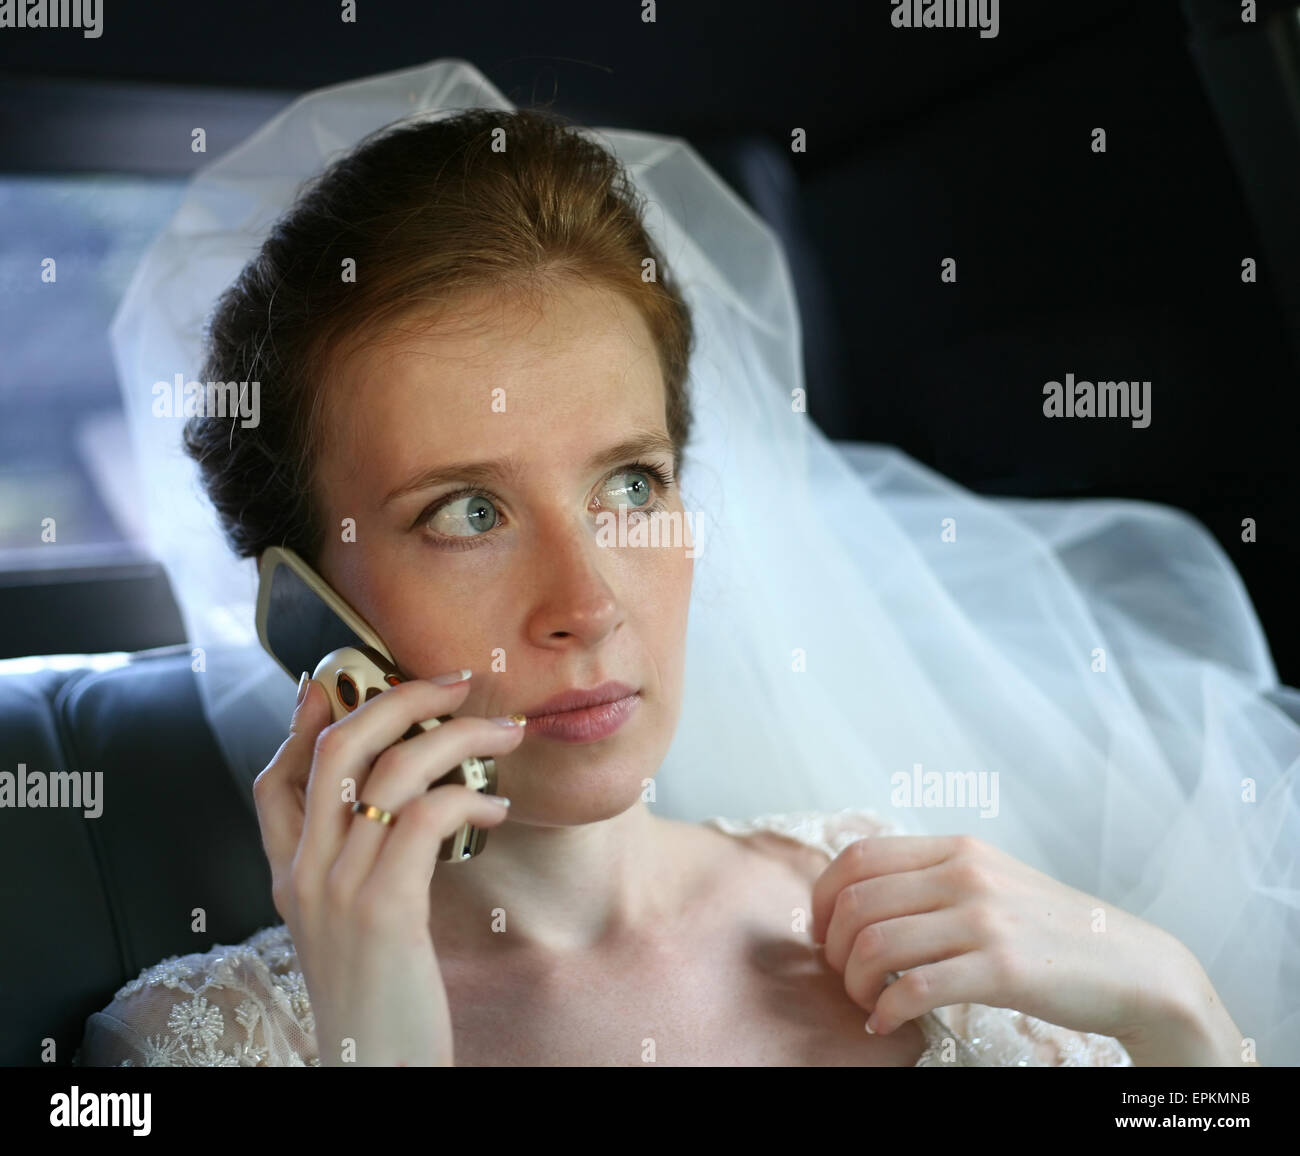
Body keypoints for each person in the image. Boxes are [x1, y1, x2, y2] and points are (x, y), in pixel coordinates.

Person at [75, 61, 1299, 1067]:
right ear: (308, 610)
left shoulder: (905, 906)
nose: (589, 604)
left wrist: (1178, 1018)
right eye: (465, 512)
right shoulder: (189, 1049)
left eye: (628, 485)